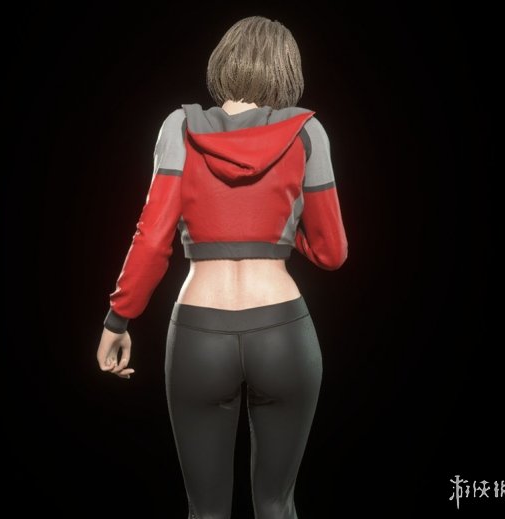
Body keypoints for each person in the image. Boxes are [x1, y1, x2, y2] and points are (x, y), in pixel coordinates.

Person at [96, 15, 348, 519]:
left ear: (223, 62)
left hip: (198, 334)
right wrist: (284, 229)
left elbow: (152, 238)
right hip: (283, 331)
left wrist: (117, 321)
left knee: (205, 512)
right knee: (277, 505)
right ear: (287, 70)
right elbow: (332, 252)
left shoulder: (178, 128)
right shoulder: (307, 132)